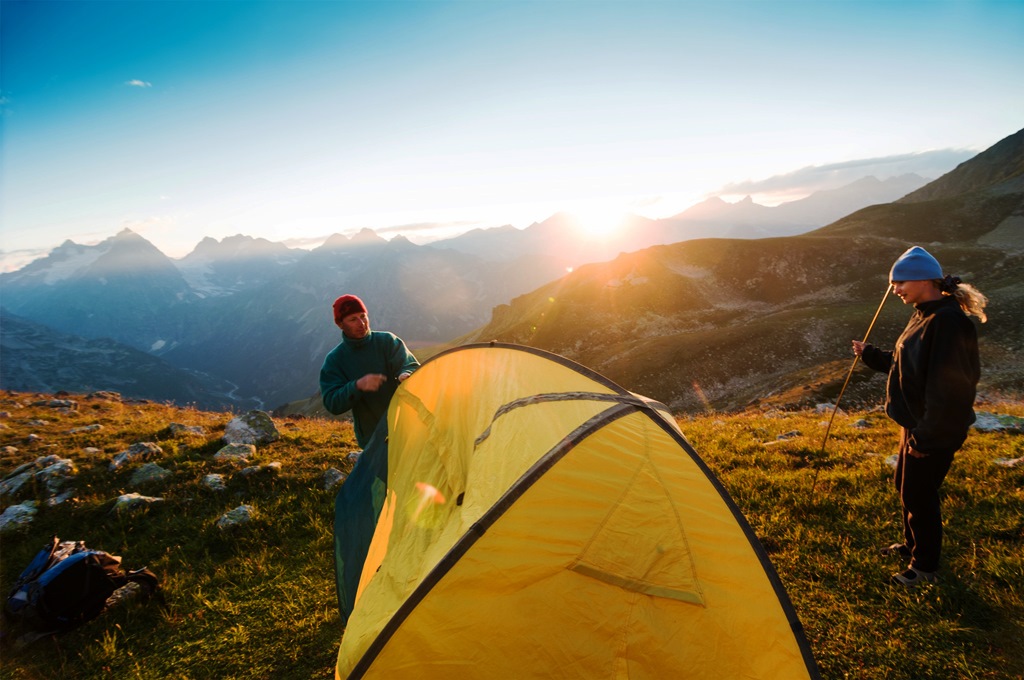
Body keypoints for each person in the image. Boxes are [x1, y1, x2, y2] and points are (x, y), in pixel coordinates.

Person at [852, 246, 987, 587]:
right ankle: (912, 545)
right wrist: (871, 355)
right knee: (906, 487)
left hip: (934, 427)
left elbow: (951, 388)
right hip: (916, 421)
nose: (895, 290)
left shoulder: (947, 322)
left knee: (919, 495)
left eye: (899, 282)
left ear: (924, 279)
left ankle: (924, 568)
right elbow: (908, 365)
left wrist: (927, 438)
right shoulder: (925, 312)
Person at [319, 294, 419, 448]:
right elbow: (332, 403)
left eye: (363, 316)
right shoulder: (335, 360)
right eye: (353, 319)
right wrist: (357, 386)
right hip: (373, 437)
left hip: (406, 426)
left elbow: (410, 365)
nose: (362, 323)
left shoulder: (387, 341)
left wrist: (405, 375)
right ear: (340, 324)